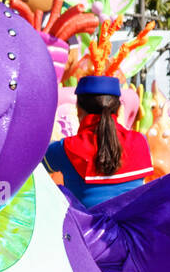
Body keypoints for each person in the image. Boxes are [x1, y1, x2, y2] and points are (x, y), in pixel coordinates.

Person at [45, 75, 153, 209]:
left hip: (86, 229)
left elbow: (33, 162)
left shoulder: (65, 148)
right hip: (135, 228)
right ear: (119, 110)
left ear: (78, 110)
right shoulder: (141, 142)